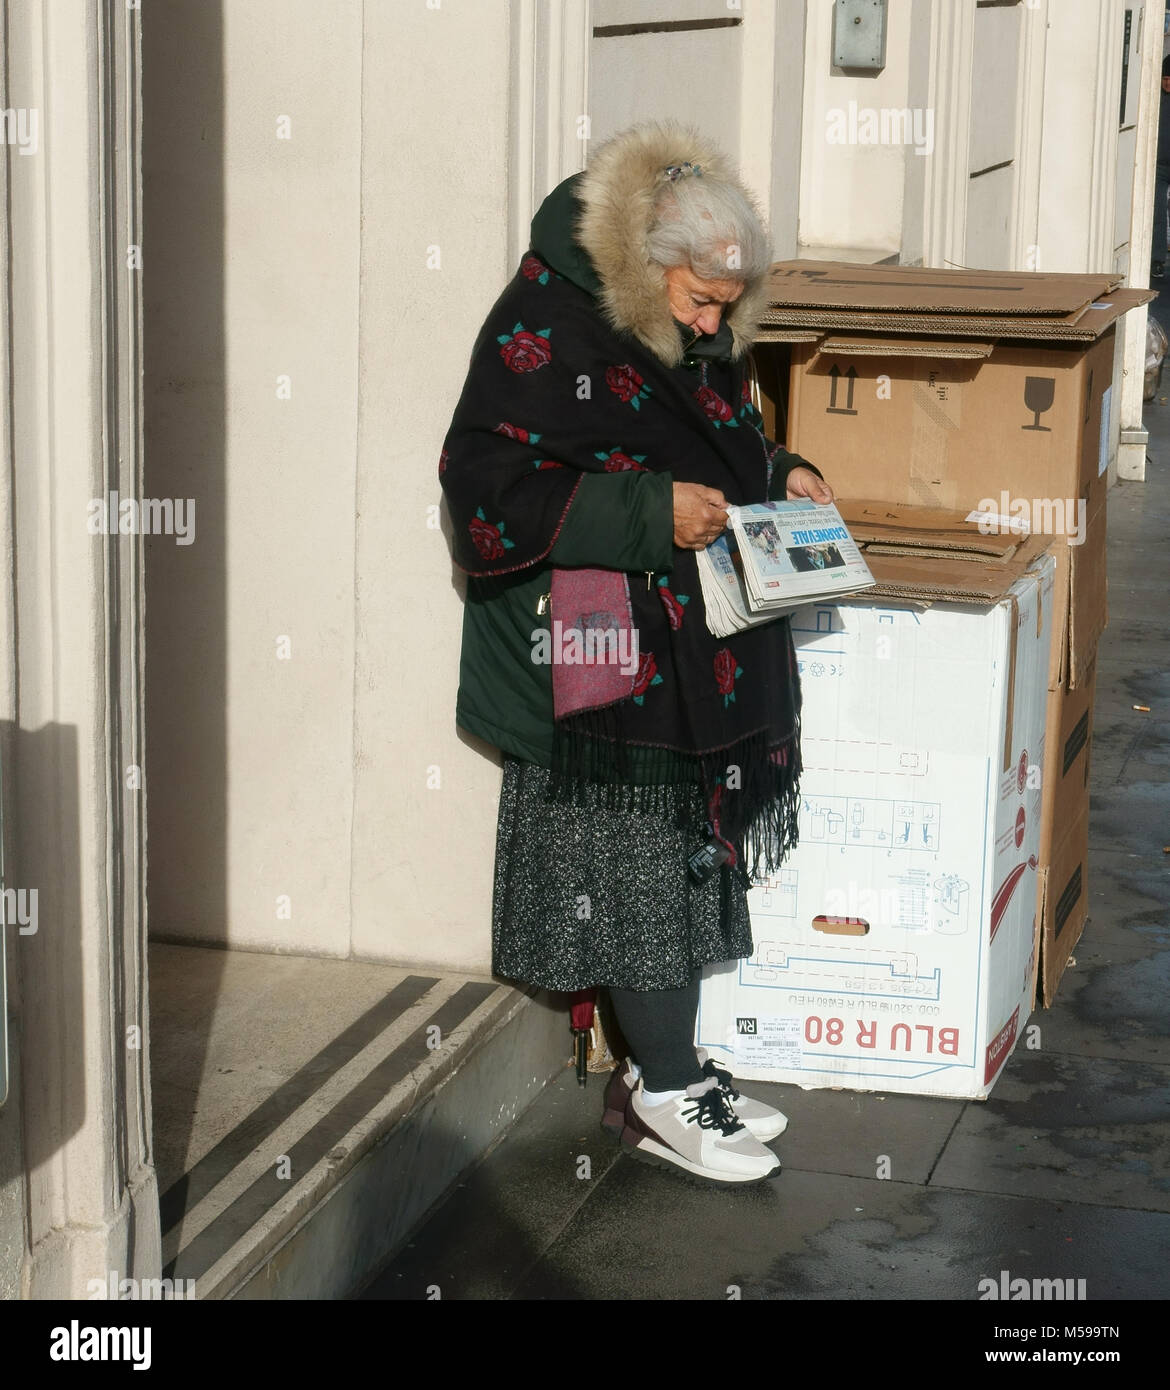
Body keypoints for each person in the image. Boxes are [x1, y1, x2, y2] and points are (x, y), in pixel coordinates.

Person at [439, 122, 835, 1185]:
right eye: (699, 302)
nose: (714, 323)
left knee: (685, 851)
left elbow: (715, 432)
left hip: (691, 632)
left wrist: (780, 469)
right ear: (643, 259)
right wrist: (647, 511)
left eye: (725, 307)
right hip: (594, 642)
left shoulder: (701, 316)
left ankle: (672, 1063)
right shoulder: (549, 320)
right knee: (640, 857)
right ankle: (661, 1089)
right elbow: (486, 493)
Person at [1152, 55, 1170, 279]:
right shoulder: (1155, 100)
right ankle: (1157, 260)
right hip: (1159, 166)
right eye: (1165, 78)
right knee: (1157, 213)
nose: (1167, 83)